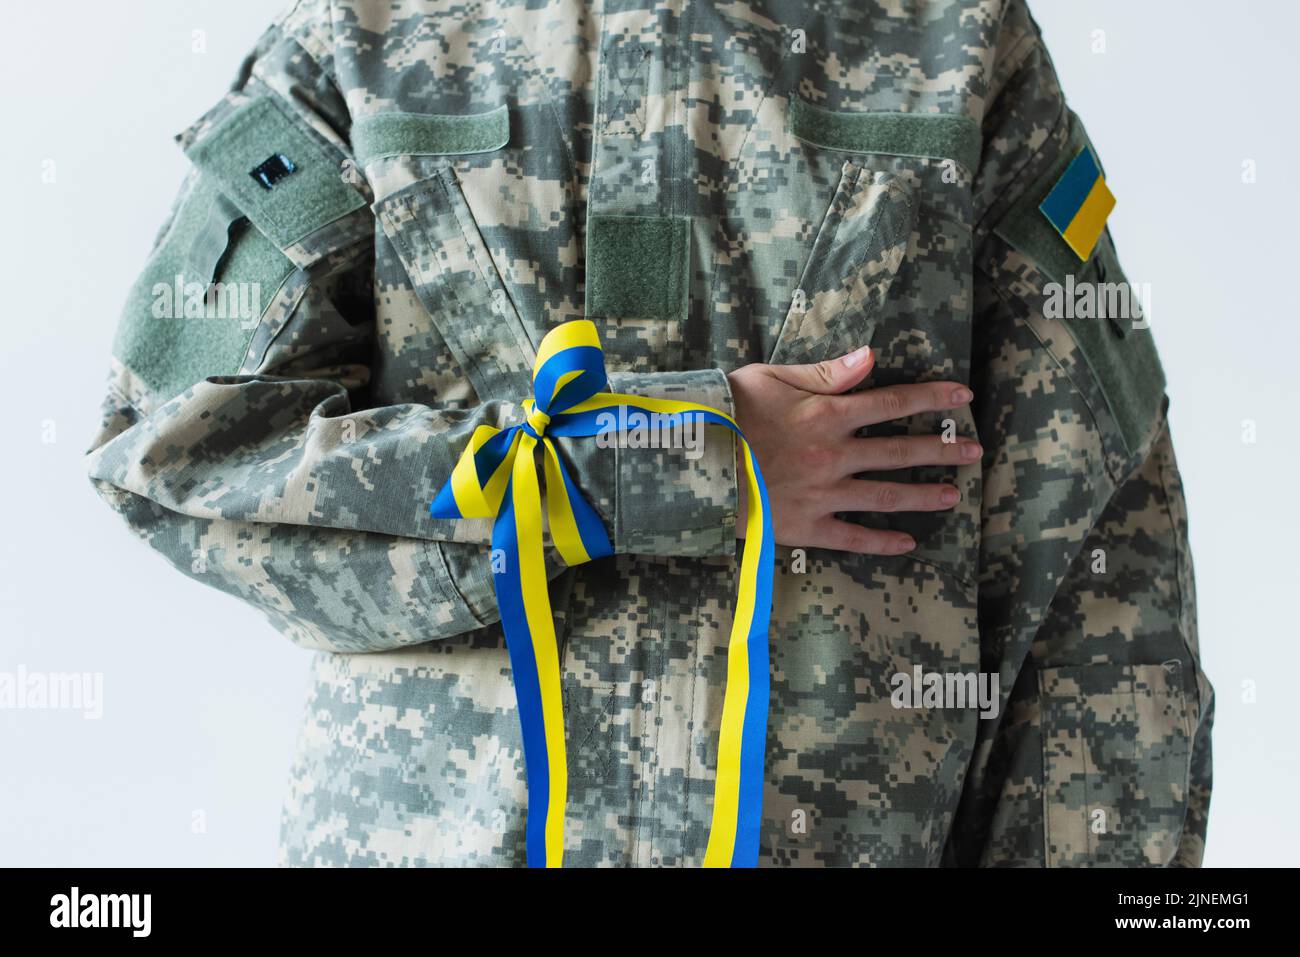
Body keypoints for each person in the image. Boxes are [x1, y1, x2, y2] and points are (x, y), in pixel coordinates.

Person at [86, 0, 1211, 866]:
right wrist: (667, 466)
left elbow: (1102, 564)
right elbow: (175, 453)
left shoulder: (948, 33)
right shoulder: (363, 33)